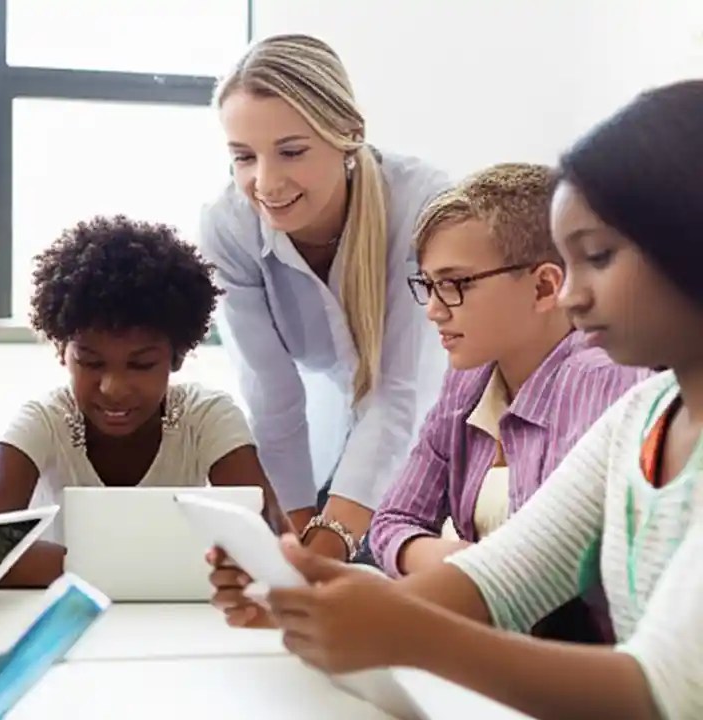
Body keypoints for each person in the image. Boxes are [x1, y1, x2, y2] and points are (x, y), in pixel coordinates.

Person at [209, 80, 703, 720]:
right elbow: (500, 578)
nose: (574, 296)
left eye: (600, 258)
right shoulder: (641, 419)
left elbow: (658, 693)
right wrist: (302, 593)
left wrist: (399, 629)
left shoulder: (605, 389)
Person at [369, 162, 649, 640]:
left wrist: (469, 578)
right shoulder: (469, 382)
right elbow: (393, 520)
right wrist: (439, 558)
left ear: (544, 287)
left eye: (456, 284)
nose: (435, 309)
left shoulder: (607, 383)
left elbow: (559, 578)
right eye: (429, 285)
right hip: (494, 637)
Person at [200, 34, 451, 561]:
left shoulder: (421, 204)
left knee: (385, 554)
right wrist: (297, 544)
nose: (265, 182)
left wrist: (331, 538)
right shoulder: (228, 227)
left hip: (438, 411)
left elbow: (401, 389)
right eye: (243, 157)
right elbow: (271, 396)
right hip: (340, 420)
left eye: (291, 151)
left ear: (349, 133)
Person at [0, 215, 289, 588]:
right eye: (90, 362)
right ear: (61, 351)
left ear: (177, 357)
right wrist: (162, 565)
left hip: (173, 627)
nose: (113, 387)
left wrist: (82, 566)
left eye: (141, 365)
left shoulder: (207, 417)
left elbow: (269, 549)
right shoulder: (44, 420)